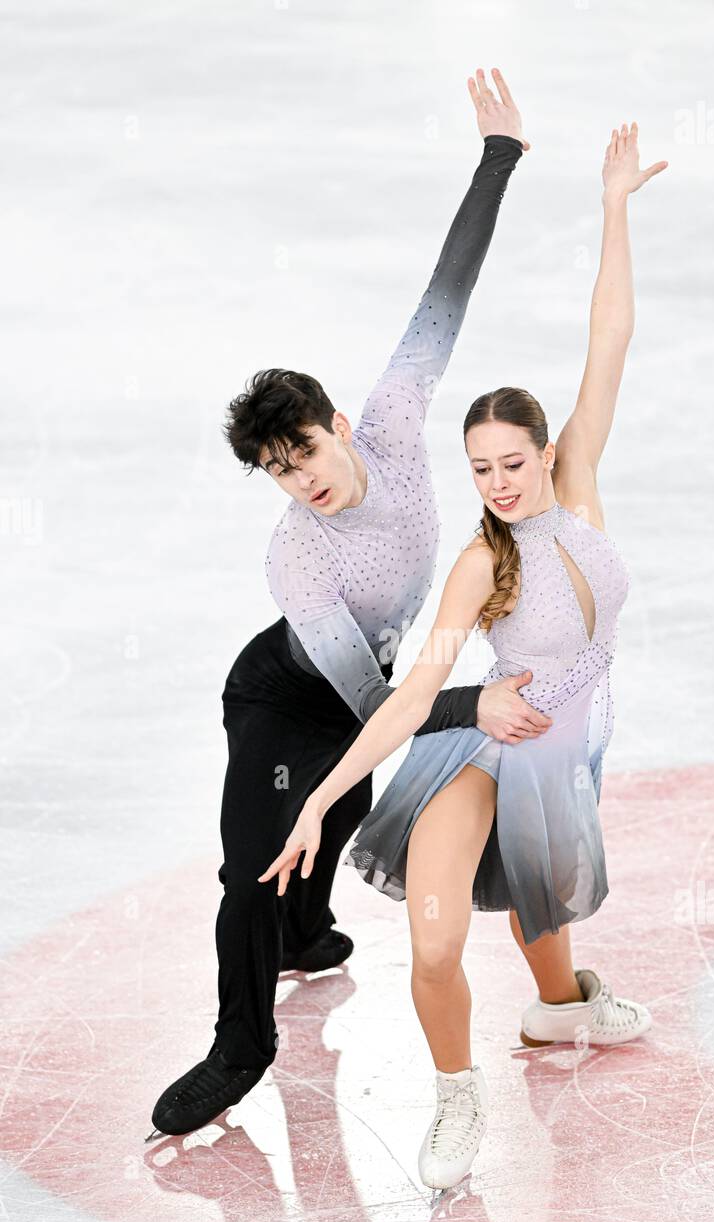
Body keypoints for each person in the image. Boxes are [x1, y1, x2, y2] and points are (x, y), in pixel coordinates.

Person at [259, 122, 668, 1190]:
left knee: (546, 904)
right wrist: (319, 800)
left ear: (543, 451)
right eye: (478, 467)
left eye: (509, 461)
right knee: (436, 942)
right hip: (475, 750)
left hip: (561, 745)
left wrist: (614, 208)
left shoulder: (574, 489)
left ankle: (559, 1005)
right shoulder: (475, 571)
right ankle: (454, 1095)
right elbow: (404, 703)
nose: (495, 482)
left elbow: (608, 340)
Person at [148, 70, 551, 1140]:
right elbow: (374, 700)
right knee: (264, 846)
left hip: (370, 684)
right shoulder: (299, 563)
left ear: (335, 420)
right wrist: (476, 700)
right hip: (289, 691)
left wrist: (497, 157)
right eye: (280, 471)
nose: (305, 478)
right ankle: (241, 1040)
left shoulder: (392, 416)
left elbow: (444, 292)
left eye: (305, 451)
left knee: (344, 807)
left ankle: (304, 936)